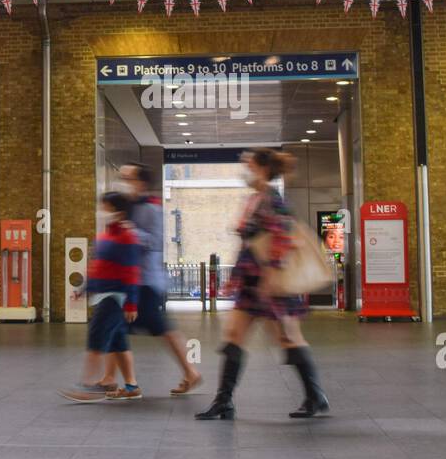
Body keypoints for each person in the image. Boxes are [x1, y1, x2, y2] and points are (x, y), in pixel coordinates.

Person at [196, 149, 328, 421]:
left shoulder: (272, 198)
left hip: (269, 281)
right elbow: (248, 244)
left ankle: (315, 396)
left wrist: (271, 273)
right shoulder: (254, 199)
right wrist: (234, 280)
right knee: (233, 334)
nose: (244, 171)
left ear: (263, 170)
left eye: (249, 165)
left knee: (288, 337)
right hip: (250, 282)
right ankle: (224, 401)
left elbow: (283, 235)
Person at [95, 163, 202, 396]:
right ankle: (112, 377)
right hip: (128, 279)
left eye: (127, 178)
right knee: (118, 326)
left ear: (141, 183)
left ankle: (189, 371)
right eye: (121, 177)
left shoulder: (152, 209)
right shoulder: (126, 206)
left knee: (161, 328)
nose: (123, 181)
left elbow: (154, 241)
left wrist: (130, 231)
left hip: (145, 280)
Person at [60, 191, 144, 402]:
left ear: (118, 211)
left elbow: (131, 271)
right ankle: (132, 385)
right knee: (118, 343)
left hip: (114, 298)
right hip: (105, 295)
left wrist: (132, 303)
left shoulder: (127, 237)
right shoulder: (107, 235)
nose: (101, 211)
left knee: (96, 340)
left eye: (105, 207)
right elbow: (98, 267)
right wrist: (84, 289)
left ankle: (87, 387)